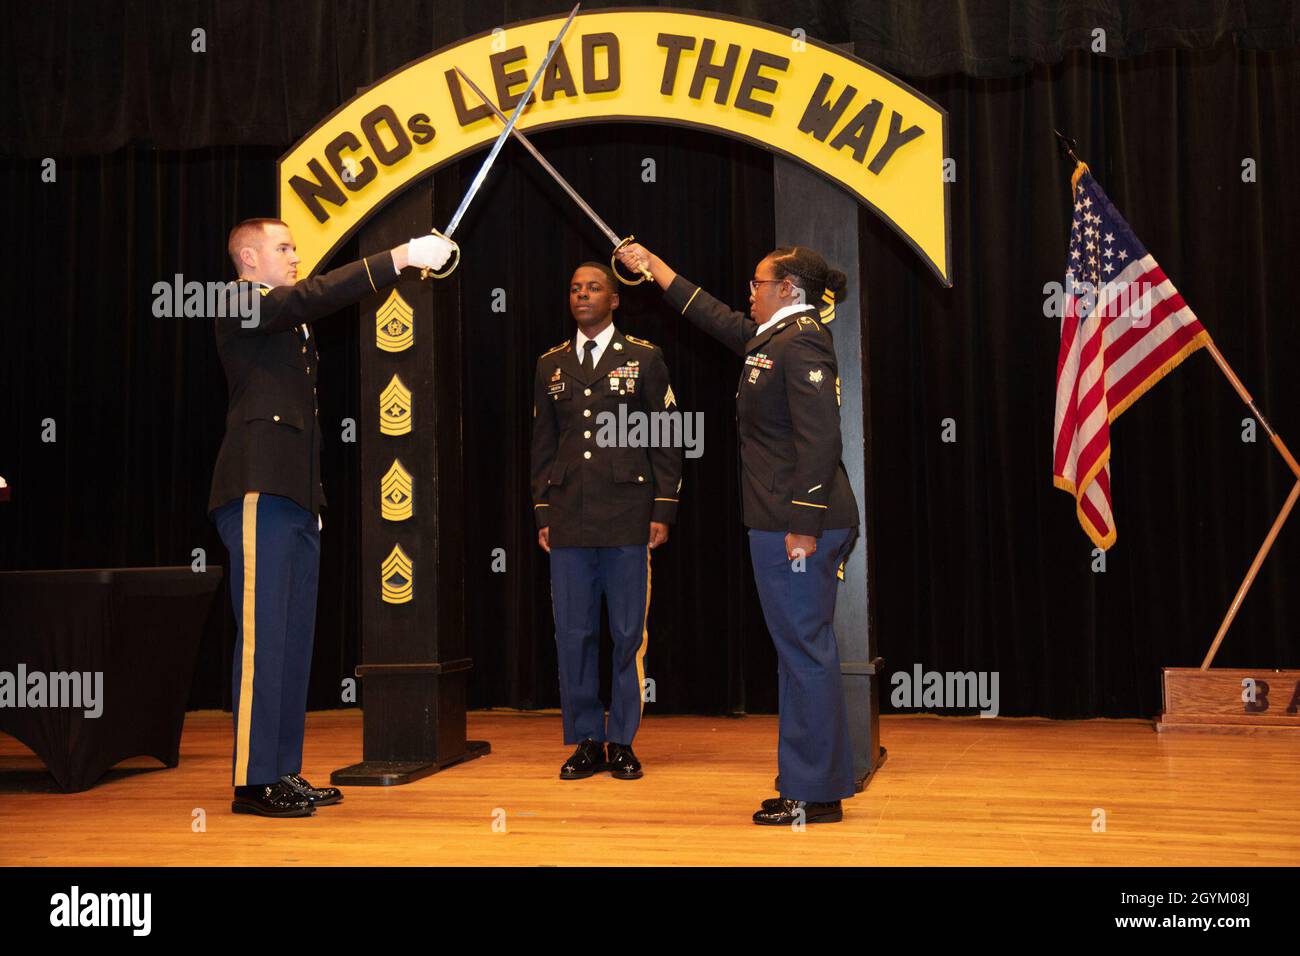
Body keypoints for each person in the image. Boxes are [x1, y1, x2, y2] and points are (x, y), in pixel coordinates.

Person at [210, 218, 453, 817]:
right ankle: (250, 779)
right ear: (247, 257)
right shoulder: (239, 300)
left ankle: (281, 770)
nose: (296, 257)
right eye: (284, 248)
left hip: (293, 493)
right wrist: (398, 256)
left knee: (292, 641)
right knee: (262, 641)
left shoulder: (286, 320)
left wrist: (311, 499)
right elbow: (314, 296)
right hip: (256, 486)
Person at [617, 241, 858, 825]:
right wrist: (655, 267)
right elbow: (714, 315)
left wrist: (802, 523)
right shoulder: (773, 336)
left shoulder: (800, 341)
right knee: (799, 654)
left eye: (757, 282)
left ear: (788, 290)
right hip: (780, 523)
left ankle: (816, 793)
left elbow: (822, 439)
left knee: (805, 654)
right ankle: (809, 781)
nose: (748, 291)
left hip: (797, 526)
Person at [531, 262, 683, 781]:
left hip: (626, 515)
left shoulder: (644, 358)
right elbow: (543, 446)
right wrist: (542, 510)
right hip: (569, 515)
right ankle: (585, 741)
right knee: (573, 633)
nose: (582, 295)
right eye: (574, 288)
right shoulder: (550, 364)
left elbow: (666, 436)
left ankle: (621, 740)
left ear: (615, 299)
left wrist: (663, 507)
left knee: (625, 633)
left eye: (594, 287)